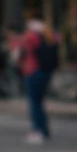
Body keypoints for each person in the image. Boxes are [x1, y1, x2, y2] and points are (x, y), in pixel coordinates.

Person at [12, 12, 57, 143]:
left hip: (32, 70)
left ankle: (37, 130)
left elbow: (17, 52)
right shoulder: (49, 33)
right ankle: (44, 129)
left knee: (34, 102)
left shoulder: (31, 35)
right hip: (45, 72)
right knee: (39, 101)